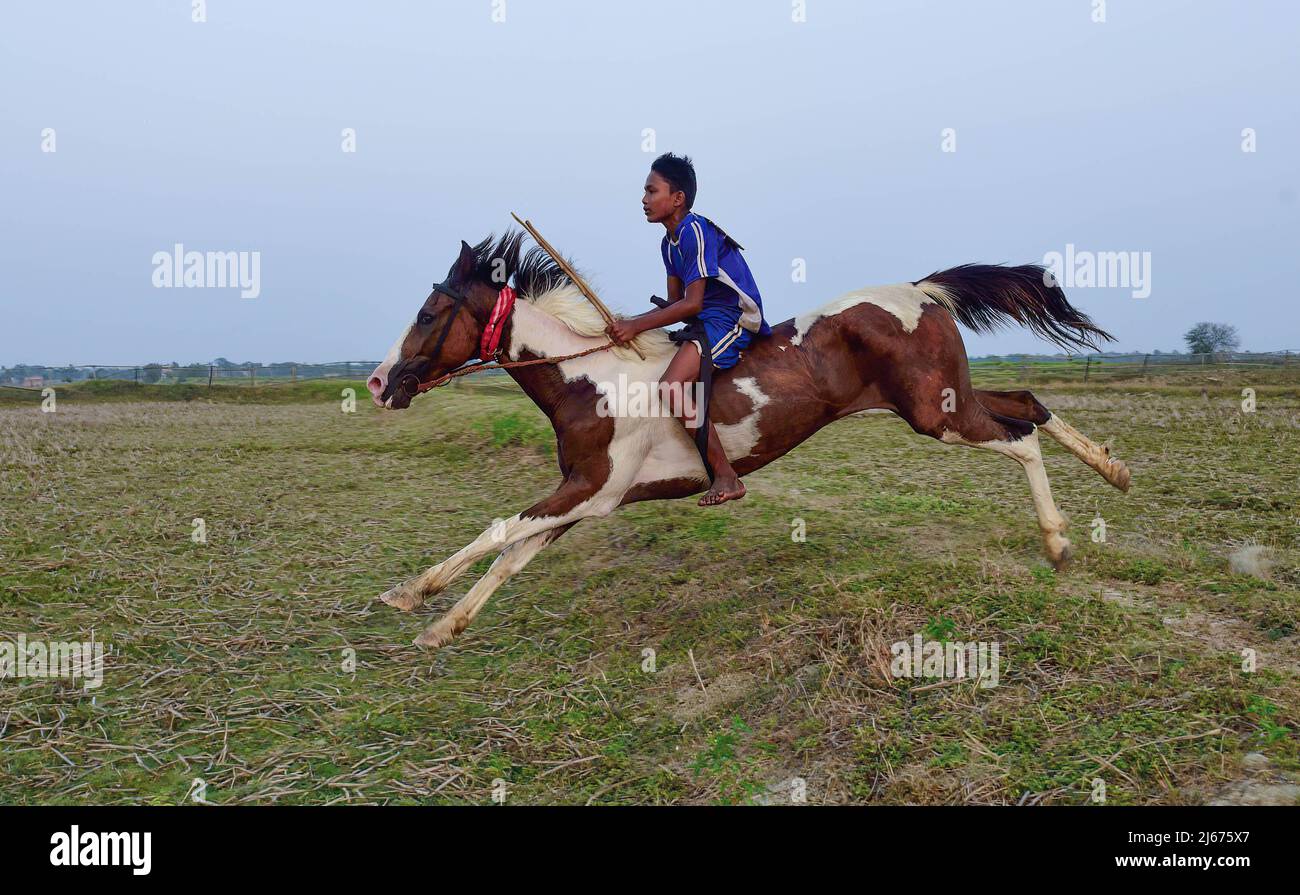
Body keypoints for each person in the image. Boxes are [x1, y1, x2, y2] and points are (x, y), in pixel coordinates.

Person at [604, 153, 772, 506]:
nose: (644, 200)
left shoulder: (694, 230)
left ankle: (726, 474)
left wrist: (636, 325)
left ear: (677, 198)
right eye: (644, 192)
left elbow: (692, 304)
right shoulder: (669, 243)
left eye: (652, 191)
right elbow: (675, 303)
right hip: (704, 318)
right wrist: (630, 321)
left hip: (731, 316)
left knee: (671, 385)